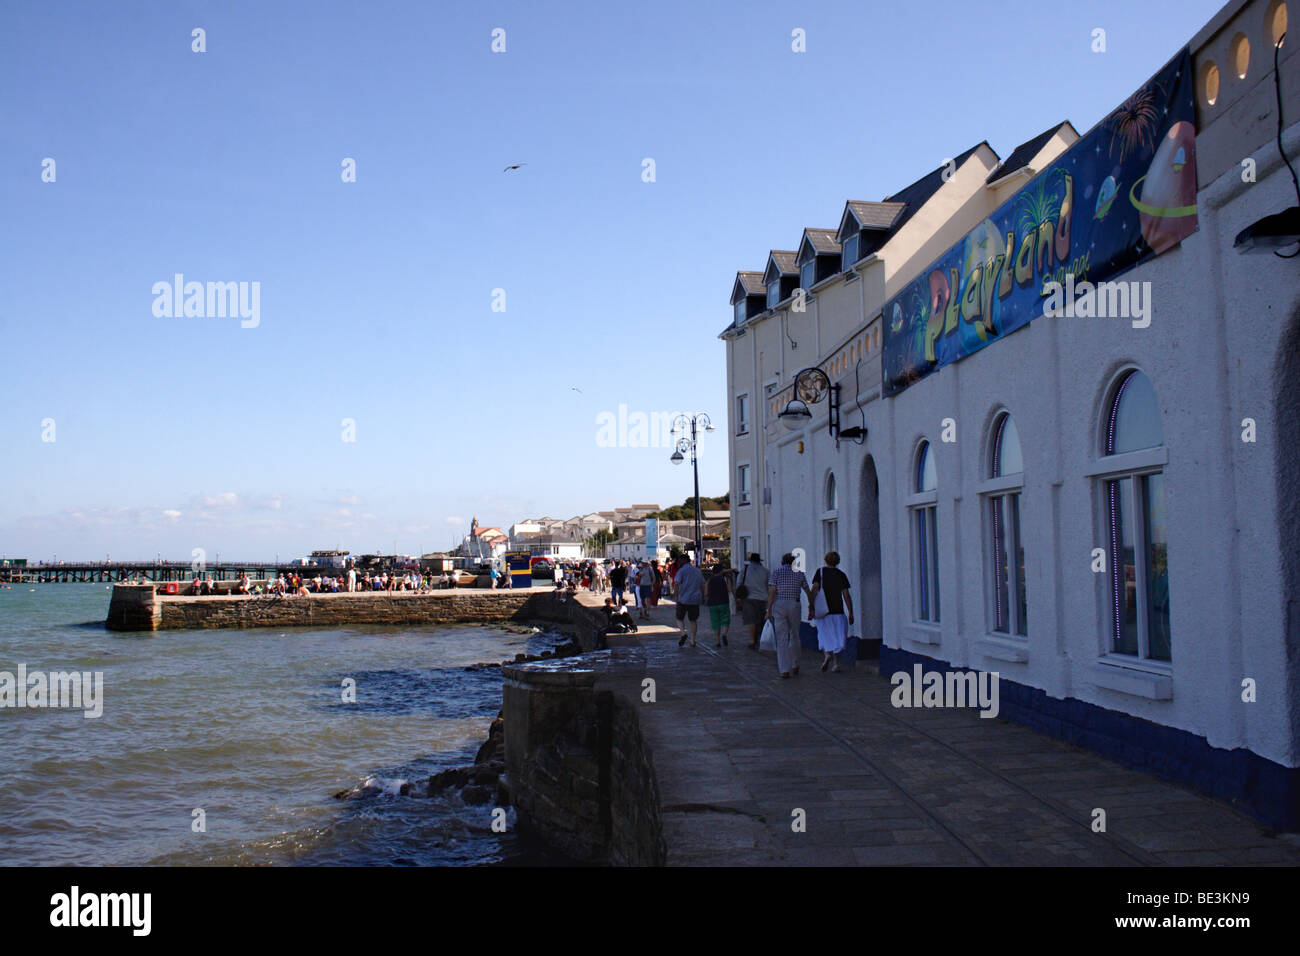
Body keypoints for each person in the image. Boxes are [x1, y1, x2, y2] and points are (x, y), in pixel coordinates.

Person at [766, 553, 812, 678]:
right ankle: (795, 664)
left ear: (782, 561)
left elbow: (772, 591)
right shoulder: (799, 573)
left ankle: (784, 669)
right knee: (795, 635)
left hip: (780, 603)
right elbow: (807, 591)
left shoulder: (776, 572)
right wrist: (811, 606)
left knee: (781, 638)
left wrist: (768, 609)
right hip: (794, 603)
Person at [809, 551, 854, 673]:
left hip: (823, 610)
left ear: (826, 560)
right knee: (837, 636)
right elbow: (846, 595)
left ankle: (826, 655)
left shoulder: (820, 572)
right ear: (837, 561)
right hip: (838, 610)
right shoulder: (841, 575)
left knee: (824, 634)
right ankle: (836, 663)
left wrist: (811, 606)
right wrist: (850, 612)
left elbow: (814, 589)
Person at [735, 553, 770, 649]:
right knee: (760, 620)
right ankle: (760, 638)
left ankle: (752, 640)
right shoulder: (766, 571)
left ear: (750, 561)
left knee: (751, 620)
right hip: (762, 598)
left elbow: (738, 583)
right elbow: (769, 585)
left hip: (749, 598)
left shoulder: (745, 570)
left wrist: (739, 597)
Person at [673, 556, 705, 647]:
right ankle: (693, 640)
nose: (678, 563)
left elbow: (676, 584)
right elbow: (703, 583)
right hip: (695, 599)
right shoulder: (697, 571)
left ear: (683, 561)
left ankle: (683, 633)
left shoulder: (681, 571)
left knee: (679, 618)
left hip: (683, 599)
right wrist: (703, 595)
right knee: (693, 620)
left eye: (679, 561)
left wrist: (676, 596)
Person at [705, 564, 733, 647]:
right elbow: (730, 590)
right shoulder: (725, 579)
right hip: (724, 602)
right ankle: (724, 634)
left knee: (715, 622)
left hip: (712, 603)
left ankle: (717, 641)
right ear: (721, 571)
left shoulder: (709, 580)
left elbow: (706, 592)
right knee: (725, 620)